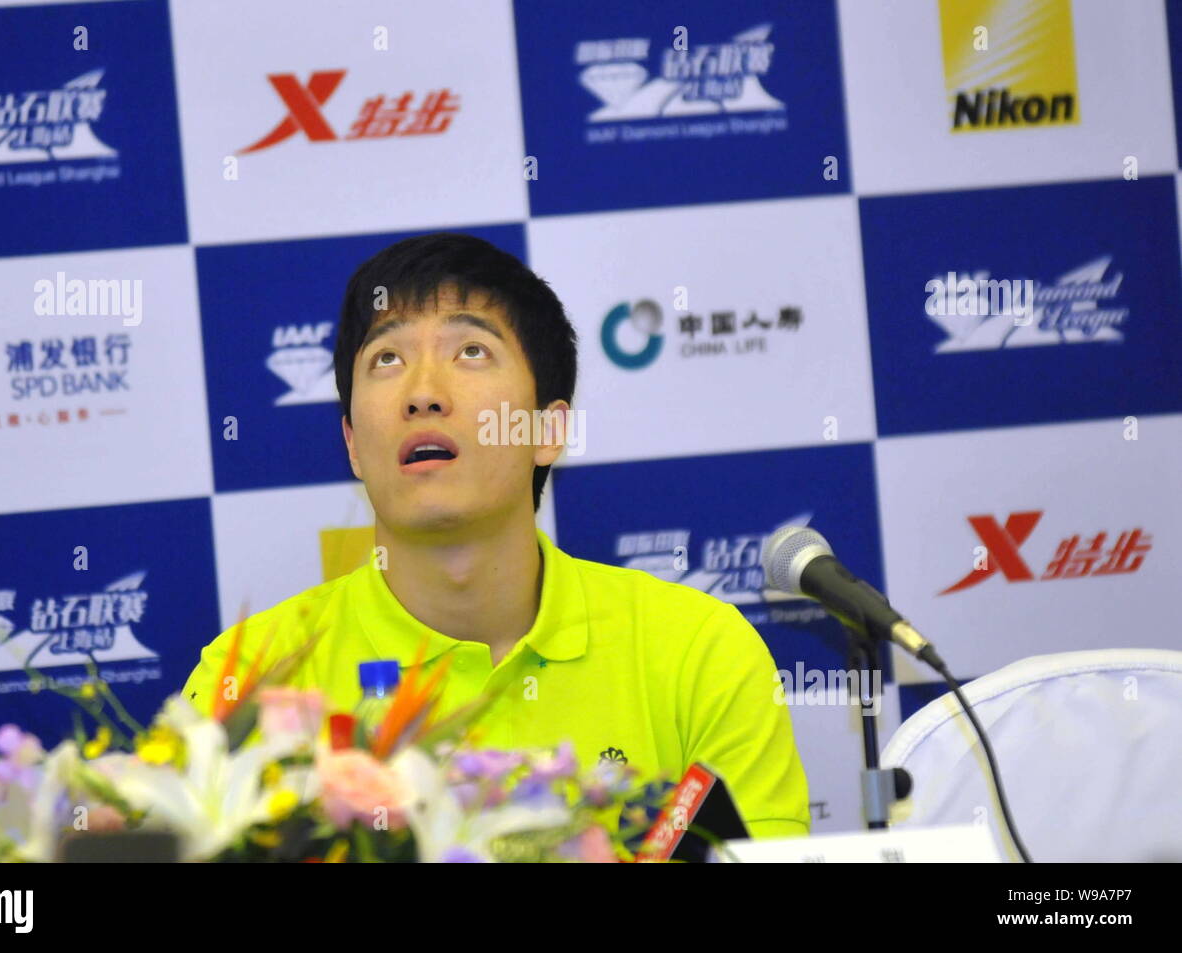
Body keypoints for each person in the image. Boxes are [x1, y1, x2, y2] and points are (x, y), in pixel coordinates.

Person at [182, 232, 810, 840]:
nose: (423, 393)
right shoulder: (251, 682)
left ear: (547, 429)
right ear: (351, 442)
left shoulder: (699, 654)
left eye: (470, 353)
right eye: (387, 359)